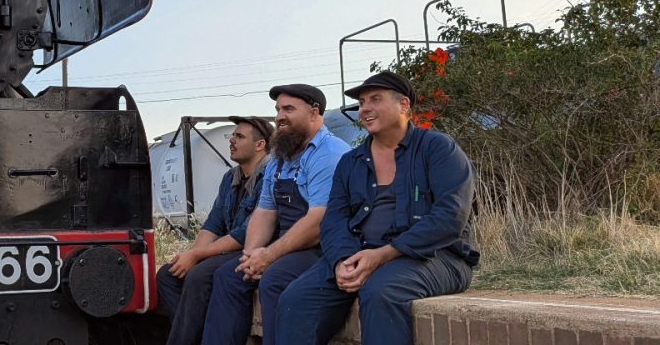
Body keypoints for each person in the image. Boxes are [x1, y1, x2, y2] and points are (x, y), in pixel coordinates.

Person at [275, 71, 479, 345]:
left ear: (403, 105)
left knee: (382, 292)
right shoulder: (351, 161)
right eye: (361, 102)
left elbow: (450, 217)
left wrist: (384, 254)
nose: (365, 109)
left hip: (434, 257)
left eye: (375, 99)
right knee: (296, 299)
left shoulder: (438, 149)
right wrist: (341, 262)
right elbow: (334, 221)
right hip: (361, 256)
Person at [231, 84, 352, 345]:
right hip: (289, 243)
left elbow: (318, 221)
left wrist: (269, 255)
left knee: (274, 279)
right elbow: (265, 211)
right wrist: (251, 255)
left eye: (288, 109)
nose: (279, 116)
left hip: (322, 245)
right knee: (229, 275)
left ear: (314, 112)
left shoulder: (329, 153)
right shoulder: (280, 157)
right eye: (277, 110)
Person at [156, 116, 272, 345]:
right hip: (227, 250)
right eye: (232, 136)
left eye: (239, 137)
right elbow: (213, 224)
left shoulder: (270, 175)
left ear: (260, 145)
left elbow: (245, 234)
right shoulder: (230, 177)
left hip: (255, 249)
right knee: (168, 275)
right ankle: (198, 336)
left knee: (201, 275)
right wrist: (191, 256)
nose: (232, 141)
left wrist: (198, 256)